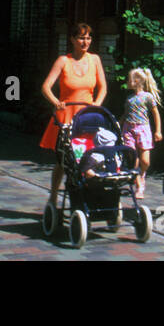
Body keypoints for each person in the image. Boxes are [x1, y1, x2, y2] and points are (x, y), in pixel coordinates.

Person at [40, 23, 107, 209]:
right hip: (66, 117)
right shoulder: (63, 61)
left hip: (87, 118)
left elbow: (103, 87)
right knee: (64, 161)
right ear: (72, 39)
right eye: (81, 38)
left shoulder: (95, 60)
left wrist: (97, 105)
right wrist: (56, 102)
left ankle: (87, 198)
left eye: (88, 38)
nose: (85, 42)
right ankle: (53, 198)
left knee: (88, 157)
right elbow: (46, 87)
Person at [121, 68, 162, 197]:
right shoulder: (129, 98)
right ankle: (139, 185)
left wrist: (158, 131)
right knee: (132, 157)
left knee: (145, 161)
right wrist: (118, 123)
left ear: (136, 81)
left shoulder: (147, 97)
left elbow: (155, 114)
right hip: (128, 129)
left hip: (143, 129)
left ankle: (141, 174)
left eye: (129, 79)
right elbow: (125, 114)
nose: (127, 82)